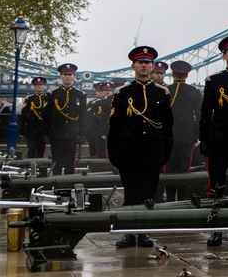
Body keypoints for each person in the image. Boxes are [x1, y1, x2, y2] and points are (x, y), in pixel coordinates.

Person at [107, 46, 173, 249]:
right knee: (130, 193)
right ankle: (128, 233)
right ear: (133, 66)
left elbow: (168, 127)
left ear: (152, 66)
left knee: (148, 194)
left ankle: (143, 232)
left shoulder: (162, 93)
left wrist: (165, 153)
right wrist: (114, 155)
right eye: (140, 62)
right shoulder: (123, 93)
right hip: (129, 152)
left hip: (152, 152)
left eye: (147, 62)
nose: (144, 66)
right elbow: (114, 127)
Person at [199, 34, 228, 246]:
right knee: (216, 186)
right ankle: (216, 228)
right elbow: (205, 114)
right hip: (219, 141)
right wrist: (205, 141)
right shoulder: (214, 81)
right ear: (224, 55)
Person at [47, 63, 87, 175]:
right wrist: (48, 133)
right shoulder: (53, 94)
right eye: (65, 74)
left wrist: (82, 134)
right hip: (57, 134)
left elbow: (83, 116)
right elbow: (48, 116)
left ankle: (68, 188)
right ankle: (56, 187)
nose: (67, 77)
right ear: (61, 76)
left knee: (70, 164)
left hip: (73, 134)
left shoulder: (80, 95)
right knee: (56, 163)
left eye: (70, 74)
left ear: (74, 76)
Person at [166, 61, 203, 174]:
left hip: (168, 137)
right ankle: (183, 192)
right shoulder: (194, 91)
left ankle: (170, 192)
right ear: (187, 75)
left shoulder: (165, 90)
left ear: (172, 74)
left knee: (169, 171)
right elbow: (199, 115)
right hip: (187, 138)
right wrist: (196, 136)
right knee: (184, 170)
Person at [19, 77, 50, 159]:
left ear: (44, 86)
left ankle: (39, 169)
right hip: (31, 129)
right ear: (34, 86)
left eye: (41, 85)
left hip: (43, 129)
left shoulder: (49, 98)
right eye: (37, 85)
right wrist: (22, 131)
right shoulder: (29, 99)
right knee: (31, 150)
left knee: (41, 150)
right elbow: (23, 116)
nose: (39, 87)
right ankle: (30, 169)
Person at [84, 82, 114, 158]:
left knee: (102, 153)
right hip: (93, 131)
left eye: (108, 90)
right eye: (104, 90)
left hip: (104, 130)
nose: (107, 92)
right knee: (95, 152)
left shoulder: (109, 102)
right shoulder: (94, 102)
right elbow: (88, 117)